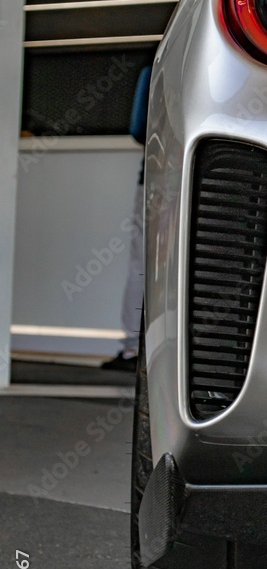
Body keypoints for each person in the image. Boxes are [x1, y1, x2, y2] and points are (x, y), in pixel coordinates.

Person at [101, 65, 151, 372]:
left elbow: (139, 127)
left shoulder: (156, 66)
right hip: (214, 175)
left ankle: (133, 349)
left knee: (141, 262)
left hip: (158, 174)